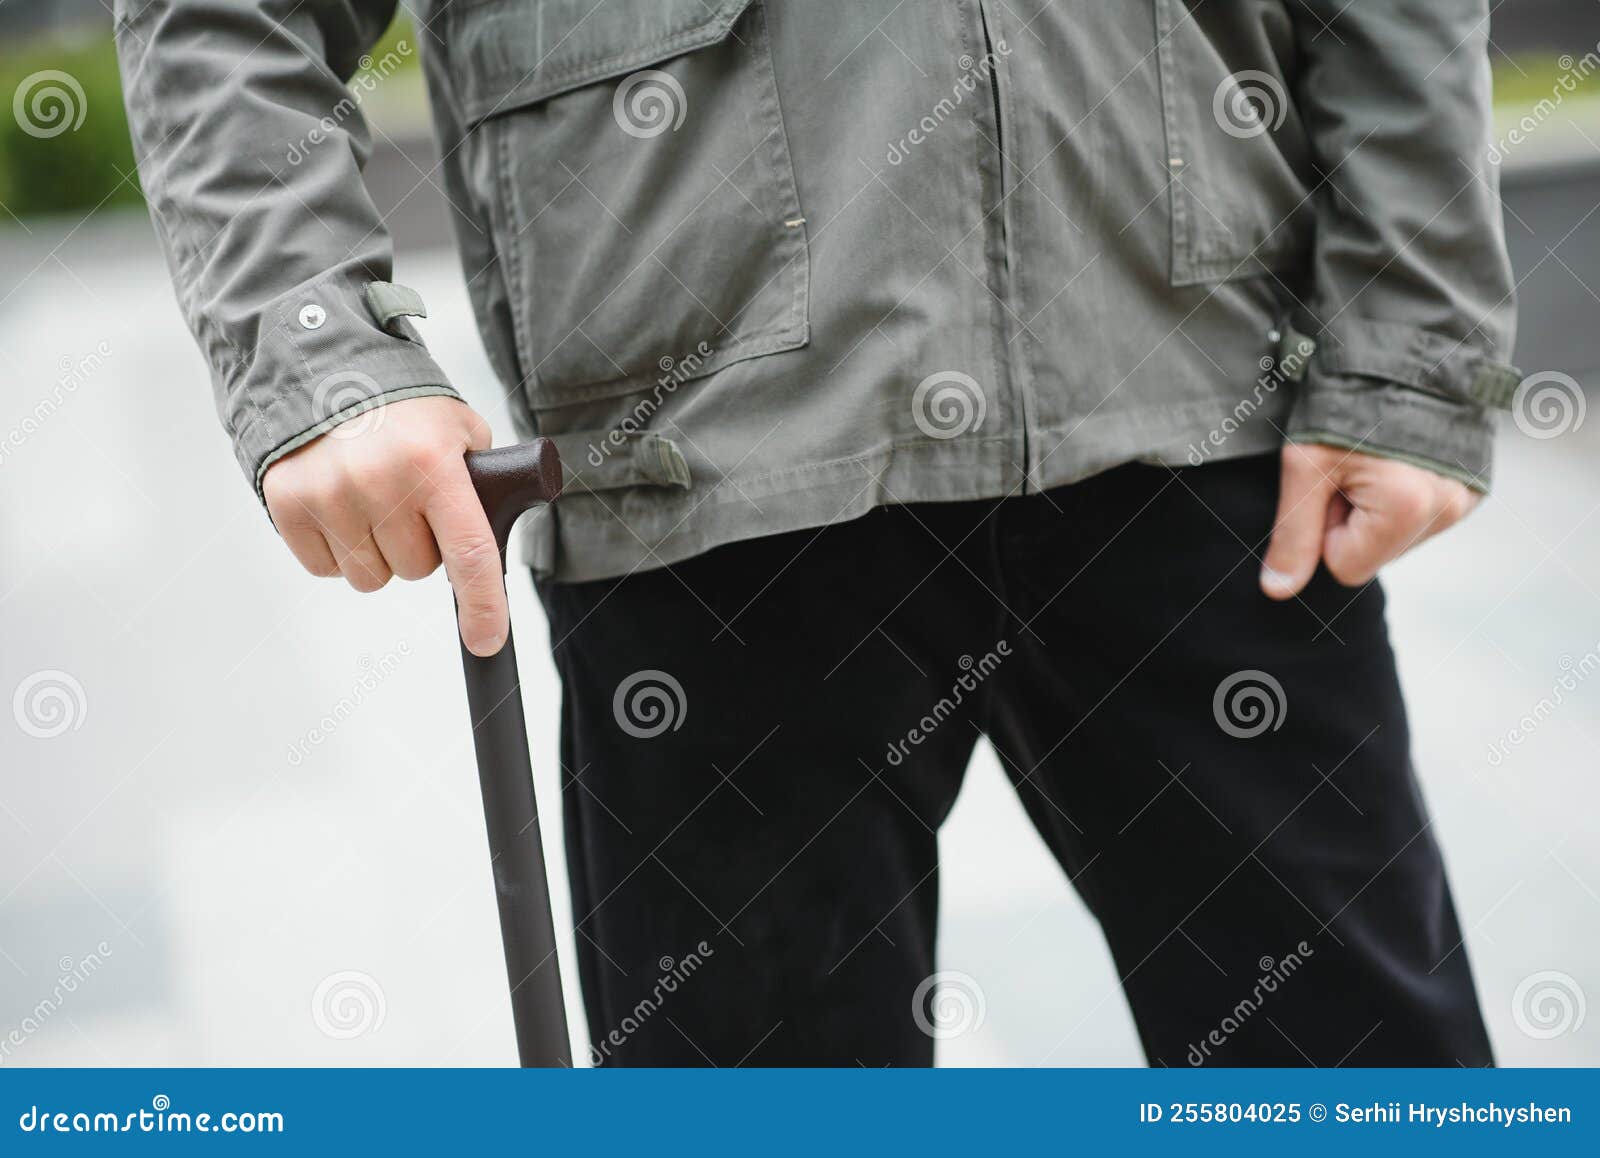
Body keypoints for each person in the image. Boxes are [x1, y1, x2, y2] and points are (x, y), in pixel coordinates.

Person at [116, 0, 1515, 1065]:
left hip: (1197, 415)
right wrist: (316, 351)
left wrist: (1414, 335)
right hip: (709, 454)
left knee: (1365, 1083)